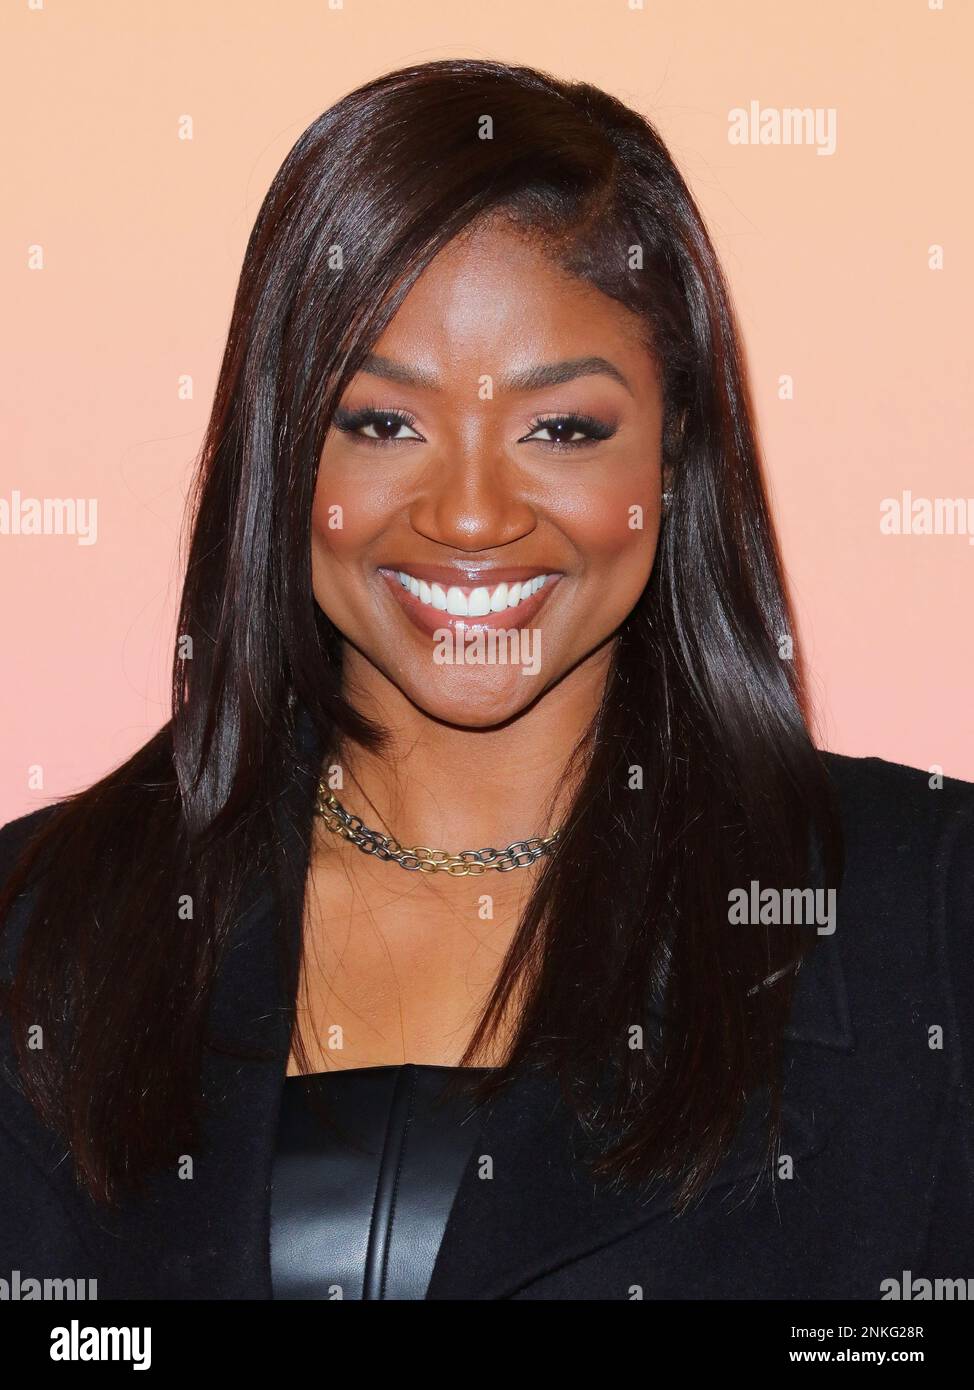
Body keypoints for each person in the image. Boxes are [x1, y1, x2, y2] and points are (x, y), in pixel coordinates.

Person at [1, 57, 971, 1302]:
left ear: (672, 454)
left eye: (560, 429)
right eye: (381, 423)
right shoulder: (51, 933)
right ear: (282, 450)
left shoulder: (917, 915)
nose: (468, 515)